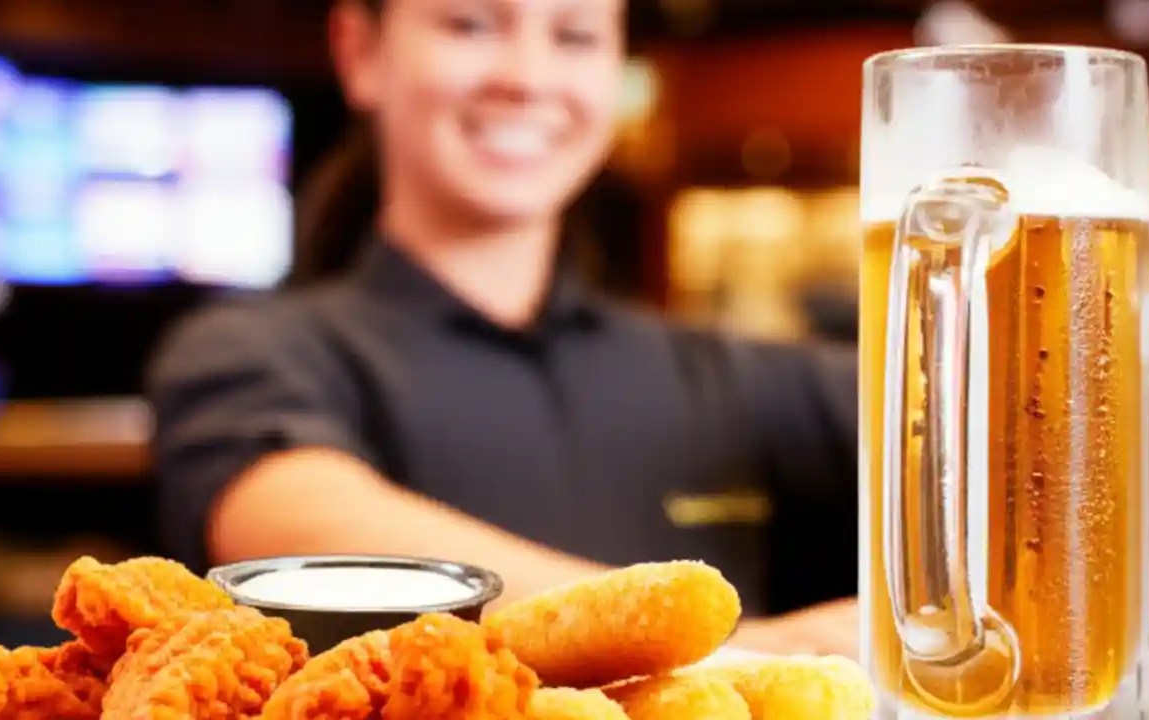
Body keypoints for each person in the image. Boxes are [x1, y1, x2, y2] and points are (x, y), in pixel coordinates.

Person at [147, 0, 859, 657]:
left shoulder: (735, 375)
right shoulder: (249, 353)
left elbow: (956, 431)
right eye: (470, 24)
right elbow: (308, 545)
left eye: (575, 36)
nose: (527, 78)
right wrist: (748, 654)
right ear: (361, 53)